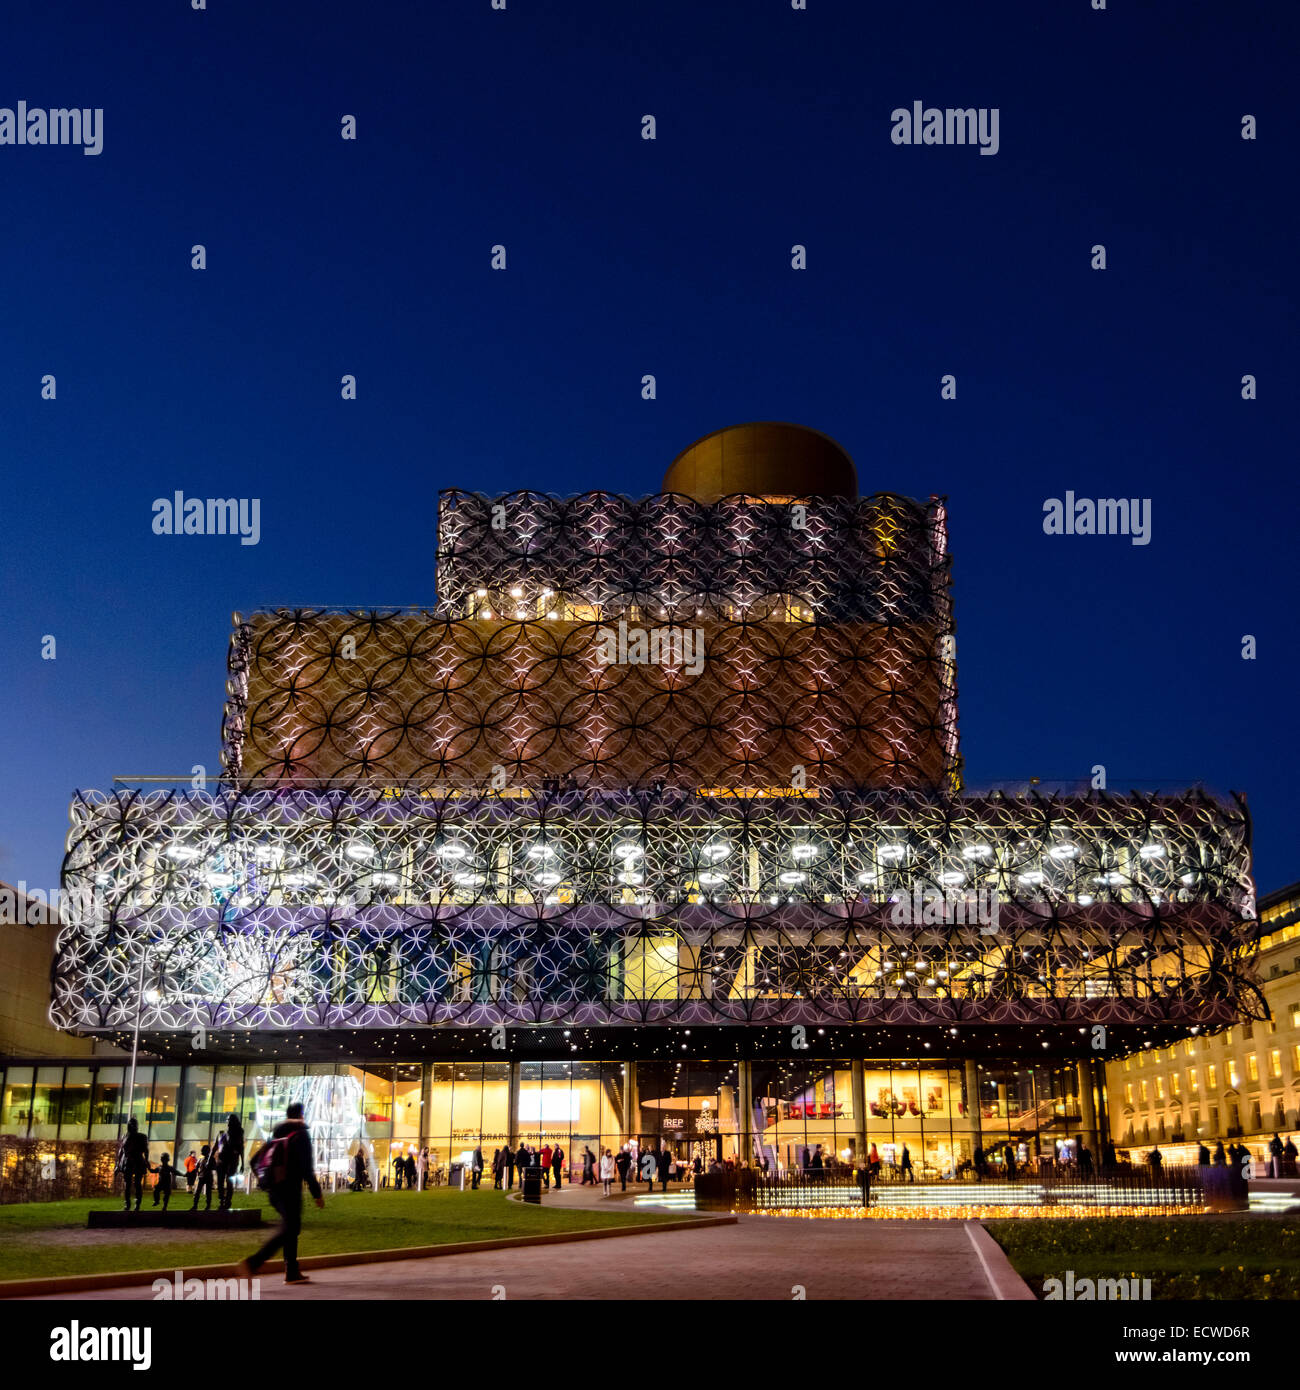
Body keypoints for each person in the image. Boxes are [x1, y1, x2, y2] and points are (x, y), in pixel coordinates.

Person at [238, 1101, 323, 1286]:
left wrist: (264, 1181)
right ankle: (253, 1263)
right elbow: (307, 1169)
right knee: (290, 1229)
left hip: (275, 1192)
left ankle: (291, 1271)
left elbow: (254, 1161)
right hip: (290, 1190)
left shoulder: (277, 1136)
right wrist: (317, 1194)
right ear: (301, 1115)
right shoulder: (300, 1135)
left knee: (291, 1228)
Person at [117, 1117, 150, 1213]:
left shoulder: (142, 1137)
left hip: (138, 1161)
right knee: (127, 1184)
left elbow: (146, 1150)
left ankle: (137, 1204)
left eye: (134, 1125)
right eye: (131, 1125)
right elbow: (121, 1151)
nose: (133, 1127)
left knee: (137, 1184)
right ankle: (127, 1204)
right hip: (128, 1162)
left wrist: (146, 1161)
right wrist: (118, 1164)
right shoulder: (125, 1136)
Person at [216, 1113, 244, 1211]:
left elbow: (241, 1148)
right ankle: (222, 1200)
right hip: (222, 1160)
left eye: (229, 1121)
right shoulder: (223, 1134)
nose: (227, 1122)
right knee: (220, 1181)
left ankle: (227, 1201)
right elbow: (216, 1147)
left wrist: (242, 1163)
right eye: (227, 1121)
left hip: (232, 1160)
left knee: (229, 1181)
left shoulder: (238, 1134)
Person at [190, 1143, 216, 1211]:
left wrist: (209, 1165)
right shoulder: (200, 1159)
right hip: (201, 1177)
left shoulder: (211, 1159)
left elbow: (214, 1167)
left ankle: (208, 1206)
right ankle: (195, 1205)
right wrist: (196, 1173)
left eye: (203, 1151)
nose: (201, 1152)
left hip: (208, 1177)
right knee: (197, 1192)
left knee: (208, 1193)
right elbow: (196, 1167)